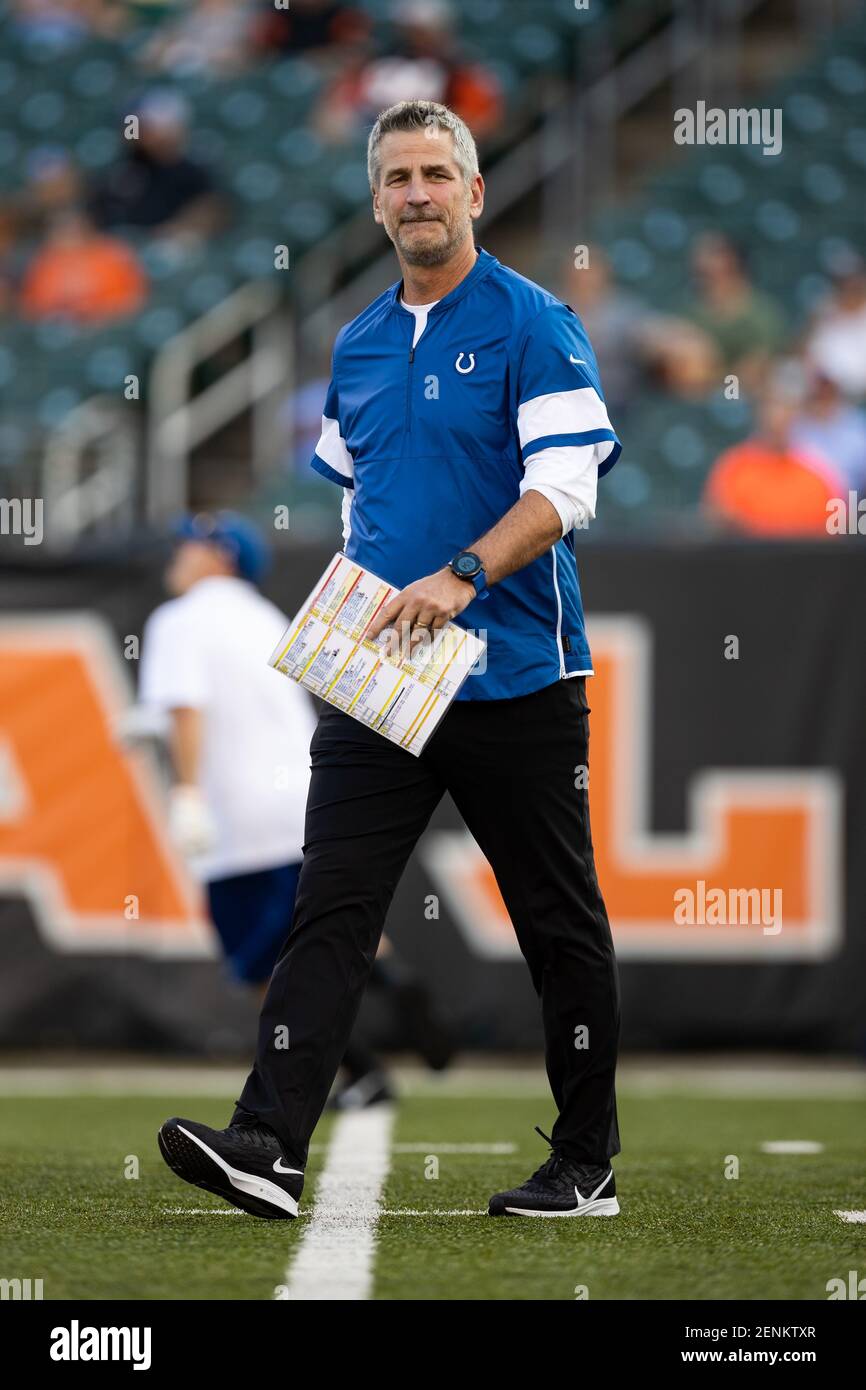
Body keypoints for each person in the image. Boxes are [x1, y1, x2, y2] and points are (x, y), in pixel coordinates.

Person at [159, 98, 623, 1222]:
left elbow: (566, 491)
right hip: (383, 675)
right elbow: (365, 492)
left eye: (434, 171)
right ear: (375, 202)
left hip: (514, 668)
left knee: (553, 919)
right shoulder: (358, 341)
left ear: (472, 190)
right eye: (396, 176)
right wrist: (357, 605)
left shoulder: (532, 321)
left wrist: (460, 572)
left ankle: (586, 1159)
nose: (415, 191)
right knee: (329, 902)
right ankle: (267, 1140)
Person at [137, 510, 455, 1098]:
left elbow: (186, 706)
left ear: (222, 556)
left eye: (192, 546)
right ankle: (397, 980)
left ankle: (357, 1069)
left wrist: (184, 792)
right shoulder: (264, 617)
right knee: (320, 933)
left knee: (262, 965)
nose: (179, 555)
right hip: (300, 801)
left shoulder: (179, 620)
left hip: (241, 816)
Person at [703, 370, 846, 537]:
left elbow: (832, 534)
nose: (777, 417)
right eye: (771, 407)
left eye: (786, 409)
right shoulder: (734, 468)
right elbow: (718, 520)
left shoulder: (817, 473)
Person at [19, 207, 147, 323]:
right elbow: (34, 310)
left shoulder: (111, 253)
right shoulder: (43, 263)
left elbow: (134, 299)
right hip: (65, 334)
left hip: (111, 326)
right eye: (60, 228)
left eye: (71, 227)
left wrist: (98, 315)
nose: (67, 233)